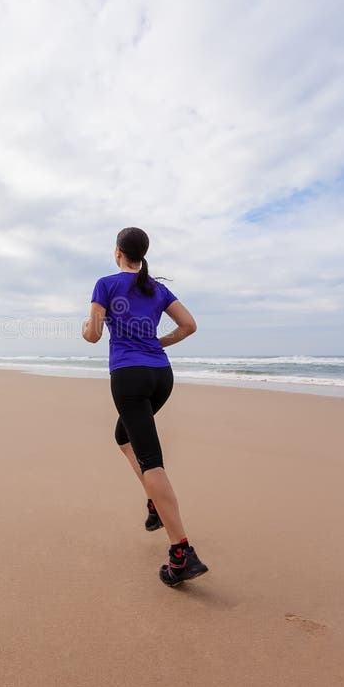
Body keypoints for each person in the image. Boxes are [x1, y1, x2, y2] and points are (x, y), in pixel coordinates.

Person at [82, 227, 208, 587]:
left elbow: (92, 335)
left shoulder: (105, 284)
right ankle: (155, 502)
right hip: (160, 376)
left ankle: (181, 552)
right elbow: (189, 325)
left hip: (129, 377)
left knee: (151, 459)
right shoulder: (157, 288)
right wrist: (159, 343)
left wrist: (83, 328)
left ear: (118, 252)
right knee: (124, 437)